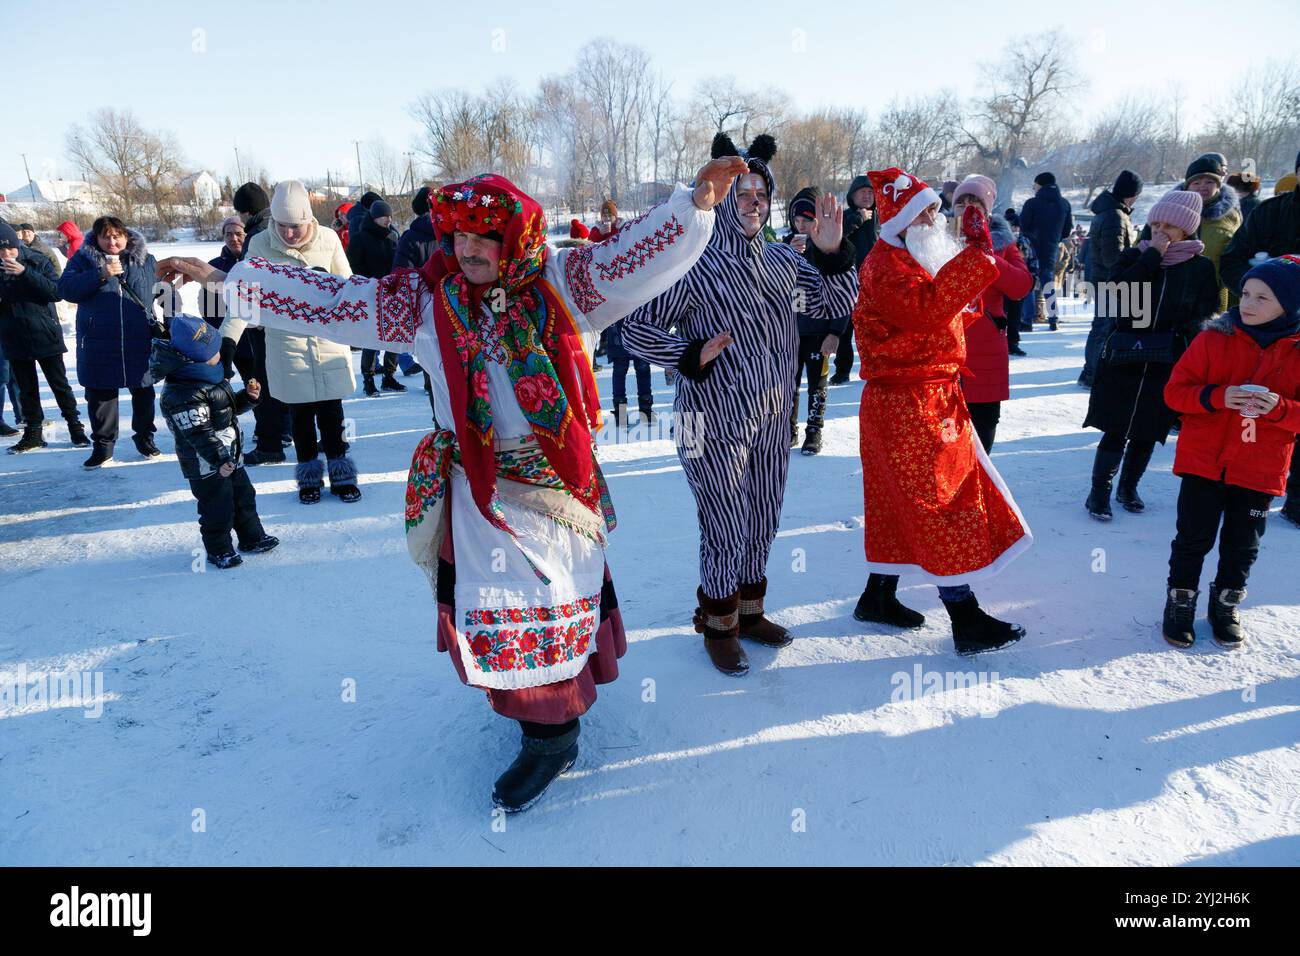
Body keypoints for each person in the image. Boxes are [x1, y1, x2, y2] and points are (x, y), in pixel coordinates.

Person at [157, 155, 747, 812]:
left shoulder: (561, 283)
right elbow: (334, 300)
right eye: (458, 236)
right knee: (503, 612)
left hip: (551, 483)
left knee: (552, 607)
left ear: (513, 239)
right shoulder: (425, 301)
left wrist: (693, 205)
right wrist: (226, 281)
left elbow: (630, 259)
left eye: (482, 238)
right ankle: (541, 721)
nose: (466, 250)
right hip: (477, 486)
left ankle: (553, 734)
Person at [622, 133, 859, 676]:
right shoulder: (693, 262)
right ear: (724, 198)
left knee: (762, 517)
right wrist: (686, 353)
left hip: (775, 414)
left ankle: (750, 612)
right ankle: (719, 621)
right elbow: (634, 327)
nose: (753, 199)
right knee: (724, 522)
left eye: (761, 191)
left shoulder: (784, 262)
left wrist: (830, 254)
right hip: (710, 417)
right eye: (743, 190)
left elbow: (831, 305)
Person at [849, 167, 1031, 652]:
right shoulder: (885, 265)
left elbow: (945, 311)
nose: (935, 218)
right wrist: (974, 259)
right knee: (937, 505)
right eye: (925, 211)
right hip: (907, 403)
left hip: (924, 398)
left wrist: (969, 275)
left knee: (898, 505)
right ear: (903, 219)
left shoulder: (909, 256)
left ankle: (878, 596)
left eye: (935, 208)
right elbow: (926, 311)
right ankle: (964, 615)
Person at [1161, 255, 1300, 647]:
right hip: (1204, 463)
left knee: (1243, 545)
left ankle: (1225, 604)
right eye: (1246, 294)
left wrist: (1281, 408)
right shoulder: (1212, 338)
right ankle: (1180, 601)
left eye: (1263, 298)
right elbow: (1174, 393)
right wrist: (1218, 396)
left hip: (1260, 468)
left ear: (1290, 306)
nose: (1248, 304)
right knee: (1192, 538)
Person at [221, 180, 363, 504]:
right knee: (300, 419)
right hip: (286, 347)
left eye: (295, 227)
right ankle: (308, 478)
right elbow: (245, 297)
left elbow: (350, 287)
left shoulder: (328, 239)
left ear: (309, 219)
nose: (289, 234)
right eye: (283, 226)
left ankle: (343, 476)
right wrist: (228, 339)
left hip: (327, 343)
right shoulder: (259, 245)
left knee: (333, 415)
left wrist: (327, 287)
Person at [1082, 190, 1220, 520]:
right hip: (1125, 356)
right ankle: (1098, 492)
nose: (1160, 231)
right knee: (1115, 427)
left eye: (1169, 226)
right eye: (1156, 223)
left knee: (1148, 429)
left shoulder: (1199, 268)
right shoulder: (1135, 256)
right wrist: (1151, 257)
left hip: (1167, 360)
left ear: (1186, 229)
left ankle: (1128, 486)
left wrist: (1181, 341)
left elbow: (1205, 311)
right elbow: (1117, 297)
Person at [150, 314, 278, 569]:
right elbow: (199, 433)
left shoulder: (210, 375)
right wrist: (219, 459)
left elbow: (224, 410)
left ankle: (252, 537)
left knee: (243, 497)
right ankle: (219, 550)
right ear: (194, 357)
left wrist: (248, 398)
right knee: (216, 508)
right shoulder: (182, 392)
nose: (220, 354)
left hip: (230, 456)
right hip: (206, 464)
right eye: (214, 351)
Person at [1219, 150, 1300, 523]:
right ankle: (1248, 491)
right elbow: (1233, 260)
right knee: (1265, 410)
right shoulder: (1272, 212)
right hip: (1271, 334)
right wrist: (1261, 297)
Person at [57, 216, 173, 468]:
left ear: (126, 236)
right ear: (96, 239)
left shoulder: (145, 260)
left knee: (143, 390)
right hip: (99, 340)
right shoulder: (82, 260)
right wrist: (99, 274)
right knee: (100, 394)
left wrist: (170, 322)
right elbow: (64, 289)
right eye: (105, 236)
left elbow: (163, 292)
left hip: (138, 338)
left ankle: (145, 438)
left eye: (117, 235)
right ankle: (103, 447)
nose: (112, 241)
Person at [951, 175, 1033, 451]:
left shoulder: (1004, 245)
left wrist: (988, 256)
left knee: (982, 436)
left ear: (987, 210)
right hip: (944, 352)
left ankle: (979, 492)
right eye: (962, 202)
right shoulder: (935, 241)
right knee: (946, 437)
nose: (968, 207)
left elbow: (1021, 287)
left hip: (985, 354)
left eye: (975, 201)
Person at [0, 223, 89, 452]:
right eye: (1, 251)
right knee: (25, 388)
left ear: (16, 244)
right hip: (13, 335)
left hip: (43, 332)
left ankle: (75, 427)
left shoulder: (38, 260)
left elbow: (55, 292)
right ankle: (33, 433)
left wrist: (24, 273)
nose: (6, 255)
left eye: (10, 249)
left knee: (59, 384)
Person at [227, 181, 291, 463]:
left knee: (262, 380)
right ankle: (293, 434)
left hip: (264, 322)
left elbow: (248, 285)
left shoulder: (256, 237)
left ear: (244, 212)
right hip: (290, 318)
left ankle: (269, 444)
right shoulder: (280, 227)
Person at [783, 185, 850, 454]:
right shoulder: (785, 245)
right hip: (790, 331)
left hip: (820, 330)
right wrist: (785, 255)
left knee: (817, 384)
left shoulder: (831, 248)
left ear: (818, 221)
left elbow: (843, 292)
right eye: (797, 220)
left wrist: (836, 331)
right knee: (788, 383)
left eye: (807, 220)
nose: (801, 226)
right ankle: (788, 428)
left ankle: (814, 430)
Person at [1142, 154, 1241, 311]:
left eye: (1210, 182)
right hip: (1168, 289)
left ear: (1218, 185)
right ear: (1187, 185)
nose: (1203, 186)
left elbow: (1237, 256)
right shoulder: (1166, 211)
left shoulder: (1231, 216)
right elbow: (1141, 248)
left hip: (1214, 290)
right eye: (1197, 182)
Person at [1080, 170, 1143, 387]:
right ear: (1132, 193)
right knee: (1104, 327)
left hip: (1104, 279)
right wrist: (1133, 263)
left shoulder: (1110, 212)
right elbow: (1112, 256)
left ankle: (1091, 370)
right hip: (1110, 281)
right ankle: (1092, 373)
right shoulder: (1115, 215)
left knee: (1102, 326)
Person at [348, 198, 405, 395]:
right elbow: (354, 265)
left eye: (390, 216)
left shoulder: (393, 236)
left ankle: (389, 376)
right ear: (374, 218)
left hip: (392, 291)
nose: (388, 220)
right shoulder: (360, 237)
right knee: (372, 338)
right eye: (384, 217)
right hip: (370, 291)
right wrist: (368, 282)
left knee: (394, 334)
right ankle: (368, 379)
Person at [834, 175, 877, 383]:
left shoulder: (882, 216)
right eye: (863, 192)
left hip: (876, 281)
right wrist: (859, 219)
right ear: (853, 196)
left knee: (874, 328)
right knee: (846, 327)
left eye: (870, 192)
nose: (867, 196)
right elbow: (838, 239)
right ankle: (842, 370)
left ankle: (874, 367)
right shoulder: (846, 216)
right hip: (850, 279)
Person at [1018, 171, 1073, 329]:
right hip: (1051, 248)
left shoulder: (1031, 203)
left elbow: (1024, 225)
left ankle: (1027, 320)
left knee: (1028, 281)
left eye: (1034, 186)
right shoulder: (1064, 204)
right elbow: (1067, 231)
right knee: (1048, 281)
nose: (1033, 189)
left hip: (1032, 248)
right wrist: (1054, 240)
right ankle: (1053, 317)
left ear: (1039, 185)